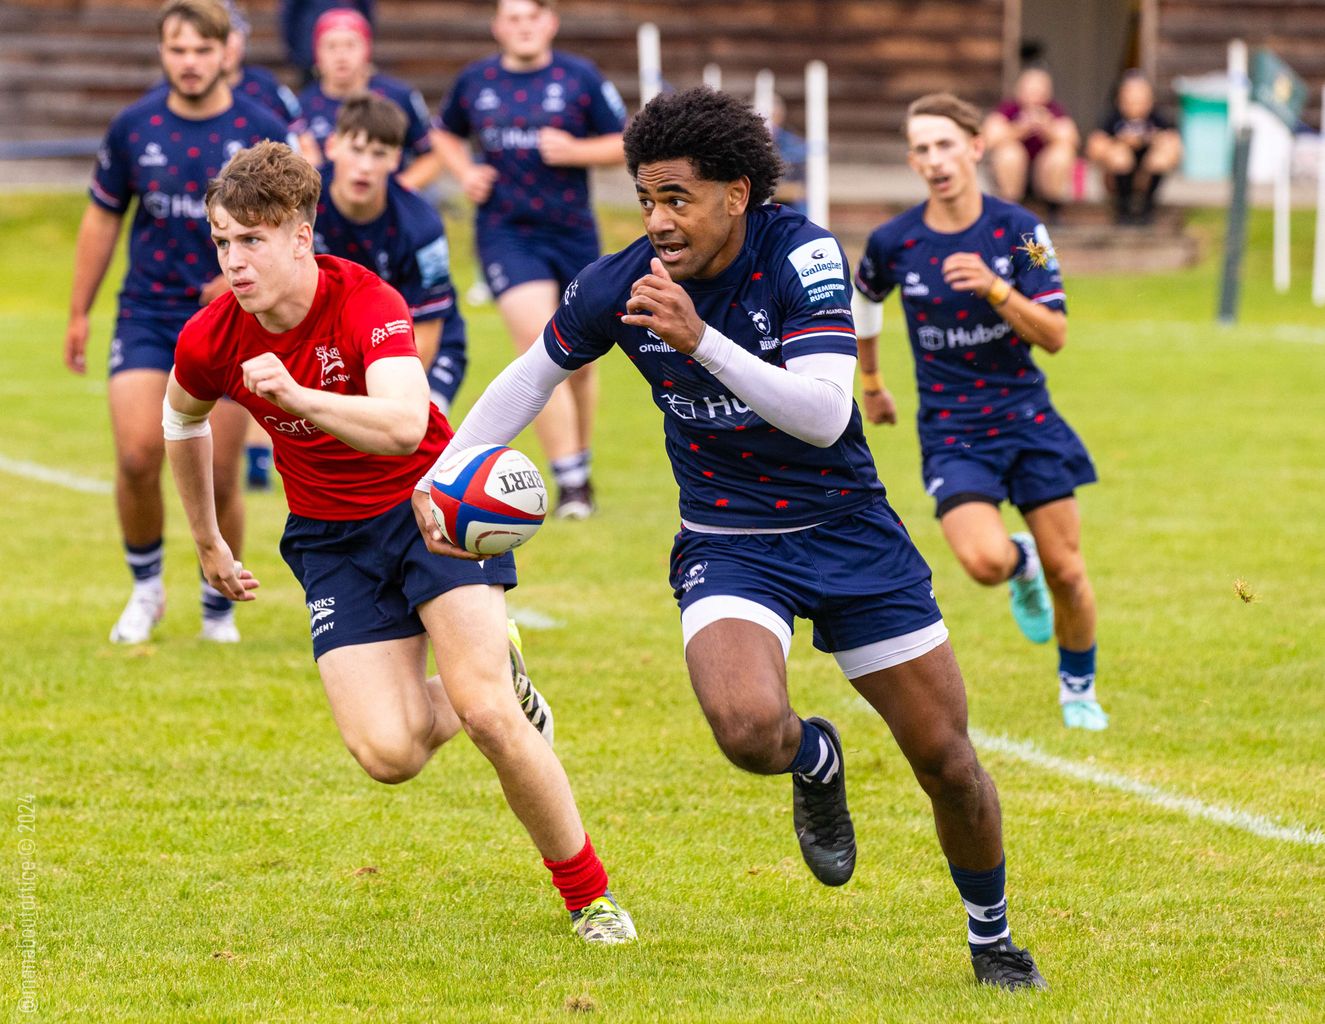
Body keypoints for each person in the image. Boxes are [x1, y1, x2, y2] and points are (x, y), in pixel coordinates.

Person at [414, 87, 1047, 989]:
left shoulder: (803, 254)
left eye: (677, 198)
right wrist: (439, 479)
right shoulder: (618, 284)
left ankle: (992, 936)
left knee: (945, 760)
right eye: (645, 199)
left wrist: (700, 339)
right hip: (729, 536)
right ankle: (814, 754)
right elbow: (528, 378)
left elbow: (826, 415)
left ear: (736, 193)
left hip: (847, 529)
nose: (658, 221)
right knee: (748, 729)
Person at [163, 139, 635, 944]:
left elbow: (403, 425)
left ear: (300, 235)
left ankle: (590, 898)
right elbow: (181, 419)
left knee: (489, 717)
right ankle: (489, 675)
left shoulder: (366, 301)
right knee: (388, 754)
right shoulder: (214, 333)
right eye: (222, 241)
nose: (234, 261)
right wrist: (207, 540)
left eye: (251, 239)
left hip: (430, 511)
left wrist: (301, 397)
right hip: (329, 540)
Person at [852, 92, 1107, 732]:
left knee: (1070, 572)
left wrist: (997, 288)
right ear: (913, 161)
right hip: (953, 431)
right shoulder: (893, 241)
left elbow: (1054, 334)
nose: (934, 160)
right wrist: (874, 380)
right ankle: (1020, 565)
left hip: (1028, 418)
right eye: (921, 149)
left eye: (945, 145)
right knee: (986, 563)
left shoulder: (1025, 233)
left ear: (974, 147)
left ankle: (1078, 688)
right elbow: (864, 299)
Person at [64, 0, 296, 645]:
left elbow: (297, 227)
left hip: (229, 320)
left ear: (227, 52)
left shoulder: (262, 133)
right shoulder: (133, 127)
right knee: (139, 455)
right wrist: (80, 311)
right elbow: (102, 218)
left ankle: (218, 608)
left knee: (219, 472)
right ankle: (145, 589)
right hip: (146, 311)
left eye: (202, 49)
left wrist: (244, 270)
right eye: (177, 49)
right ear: (162, 53)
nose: (189, 63)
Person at [422, 0, 628, 519]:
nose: (523, 27)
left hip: (573, 234)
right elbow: (442, 131)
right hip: (506, 235)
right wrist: (463, 171)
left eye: (531, 17)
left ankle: (580, 463)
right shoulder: (476, 81)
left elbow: (625, 139)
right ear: (498, 27)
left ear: (549, 23)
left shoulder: (579, 76)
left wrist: (576, 151)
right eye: (512, 18)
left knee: (581, 363)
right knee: (541, 346)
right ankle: (571, 483)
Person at [313, 93, 468, 413]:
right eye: (356, 150)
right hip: (337, 343)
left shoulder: (422, 228)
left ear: (396, 159)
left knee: (412, 431)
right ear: (332, 146)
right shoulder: (300, 206)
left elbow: (426, 334)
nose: (365, 167)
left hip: (420, 343)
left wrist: (382, 406)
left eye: (378, 154)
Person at [294, 8, 434, 191]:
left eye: (350, 45)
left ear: (367, 49)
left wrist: (397, 192)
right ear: (317, 53)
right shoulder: (300, 107)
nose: (341, 55)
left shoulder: (399, 97)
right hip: (326, 208)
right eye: (331, 46)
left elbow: (432, 154)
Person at [1085, 70, 1182, 225]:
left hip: (1146, 173)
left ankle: (1147, 205)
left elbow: (1175, 146)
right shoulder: (1112, 119)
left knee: (1162, 157)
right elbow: (1093, 147)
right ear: (1120, 99)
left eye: (1140, 99)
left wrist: (1152, 140)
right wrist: (1119, 142)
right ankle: (1123, 206)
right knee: (1119, 156)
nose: (1136, 104)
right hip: (1116, 177)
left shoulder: (1158, 118)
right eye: (1130, 99)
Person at [983, 66, 1079, 210]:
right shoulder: (1009, 108)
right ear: (1019, 90)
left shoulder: (1054, 110)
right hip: (1013, 173)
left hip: (1043, 172)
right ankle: (1010, 205)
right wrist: (1019, 129)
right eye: (1030, 89)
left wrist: (1048, 129)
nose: (1035, 94)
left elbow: (1073, 140)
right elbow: (989, 138)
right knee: (1009, 152)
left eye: (1040, 89)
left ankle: (1053, 206)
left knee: (1062, 152)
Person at [279, 0, 373, 84]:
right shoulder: (307, 100)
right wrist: (296, 52)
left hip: (352, 30)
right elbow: (290, 14)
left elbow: (366, 9)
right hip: (309, 51)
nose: (340, 55)